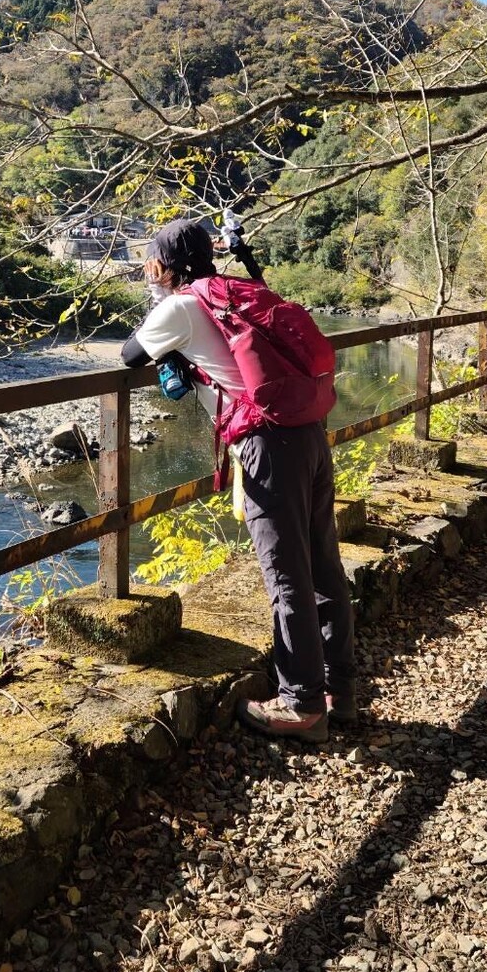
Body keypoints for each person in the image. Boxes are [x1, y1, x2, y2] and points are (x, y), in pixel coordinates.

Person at [121, 219, 357, 744]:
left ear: (163, 266)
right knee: (322, 563)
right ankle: (340, 691)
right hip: (309, 432)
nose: (146, 272)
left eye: (149, 264)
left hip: (267, 445)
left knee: (286, 574)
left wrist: (159, 304)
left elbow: (130, 355)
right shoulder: (240, 290)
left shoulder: (181, 307)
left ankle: (302, 706)